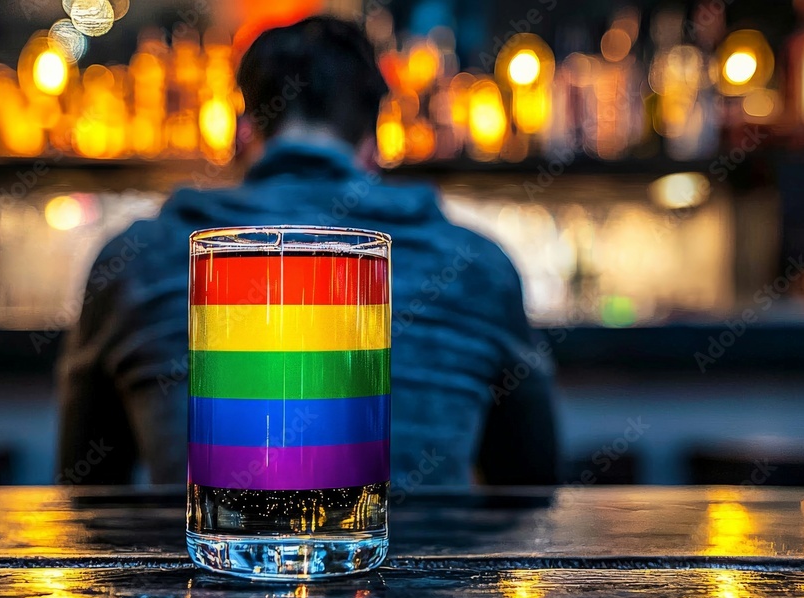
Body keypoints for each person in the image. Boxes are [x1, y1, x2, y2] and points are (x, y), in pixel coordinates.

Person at [57, 15, 560, 487]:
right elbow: (531, 483)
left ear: (240, 133)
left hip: (207, 571)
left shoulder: (136, 260)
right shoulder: (478, 266)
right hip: (428, 575)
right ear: (375, 145)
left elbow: (83, 490)